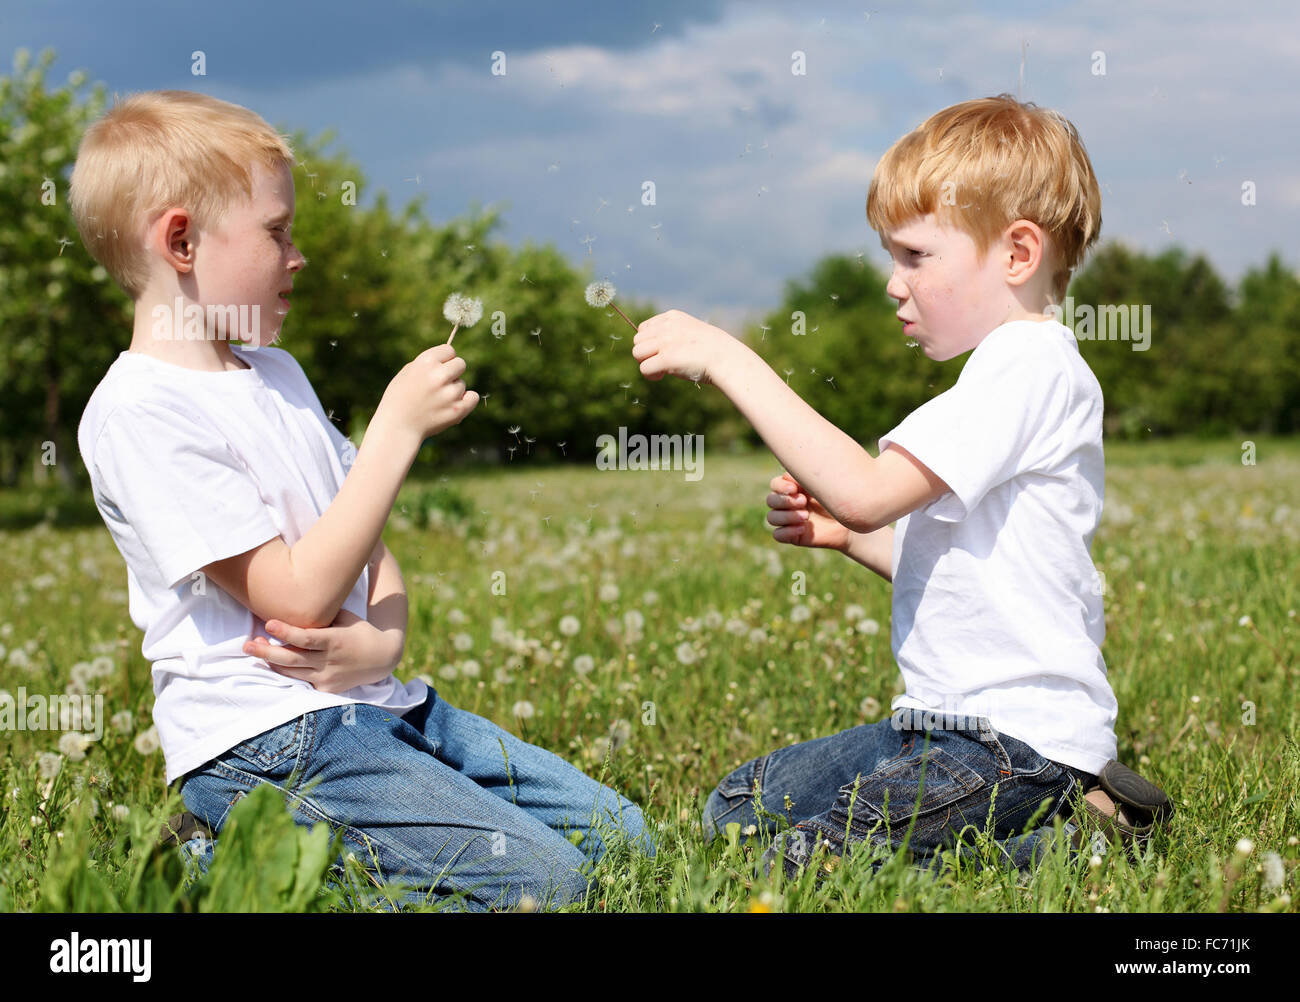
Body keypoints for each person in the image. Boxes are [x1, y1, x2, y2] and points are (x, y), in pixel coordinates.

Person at [70, 89, 652, 911]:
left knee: (626, 840)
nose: (298, 255)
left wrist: (384, 643)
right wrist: (394, 433)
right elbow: (297, 598)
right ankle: (230, 866)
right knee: (543, 887)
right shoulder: (141, 413)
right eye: (278, 232)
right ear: (181, 240)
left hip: (384, 706)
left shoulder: (279, 375)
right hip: (270, 741)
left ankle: (274, 852)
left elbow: (370, 545)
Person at [632, 93, 1116, 877]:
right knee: (738, 806)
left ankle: (1076, 843)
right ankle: (1058, 828)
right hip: (938, 730)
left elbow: (863, 486)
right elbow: (965, 578)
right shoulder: (1008, 375)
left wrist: (729, 358)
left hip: (1013, 745)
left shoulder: (1028, 369)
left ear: (1018, 254)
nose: (894, 284)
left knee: (801, 864)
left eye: (916, 256)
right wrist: (849, 536)